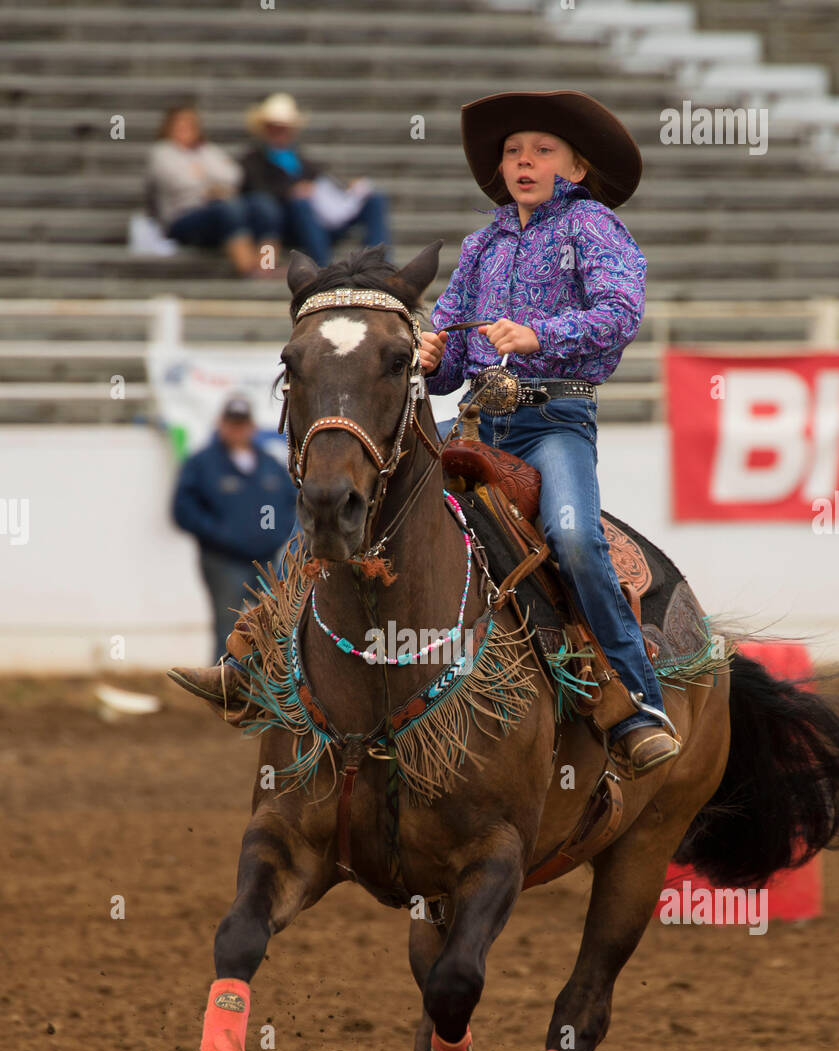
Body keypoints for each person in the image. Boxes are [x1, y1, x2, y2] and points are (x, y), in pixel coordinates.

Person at [419, 89, 679, 778]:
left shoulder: (591, 227)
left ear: (577, 168)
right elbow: (447, 348)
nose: (522, 161)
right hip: (479, 418)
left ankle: (639, 702)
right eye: (512, 151)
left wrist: (539, 334)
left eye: (540, 149)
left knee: (571, 536)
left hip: (553, 422)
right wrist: (431, 355)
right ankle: (262, 661)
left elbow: (619, 313)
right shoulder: (481, 245)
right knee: (373, 482)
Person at [172, 396, 298, 663]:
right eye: (232, 423)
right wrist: (220, 534)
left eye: (242, 424)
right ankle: (222, 688)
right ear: (222, 424)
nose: (237, 430)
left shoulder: (269, 464)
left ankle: (270, 689)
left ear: (251, 426)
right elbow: (184, 510)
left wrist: (274, 535)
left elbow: (290, 505)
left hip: (266, 561)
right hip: (223, 561)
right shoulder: (202, 464)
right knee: (227, 628)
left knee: (276, 626)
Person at [240, 93, 391, 266]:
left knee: (374, 199)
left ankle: (379, 264)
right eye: (274, 126)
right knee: (301, 204)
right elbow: (256, 194)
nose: (279, 131)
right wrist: (292, 193)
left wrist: (347, 189)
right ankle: (322, 267)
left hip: (323, 218)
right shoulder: (251, 161)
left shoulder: (303, 160)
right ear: (265, 128)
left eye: (284, 126)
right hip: (291, 224)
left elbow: (324, 185)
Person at [148, 106, 281, 276]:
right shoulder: (162, 153)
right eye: (180, 125)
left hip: (219, 210)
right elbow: (181, 183)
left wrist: (203, 176)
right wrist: (211, 186)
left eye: (190, 125)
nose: (185, 130)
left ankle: (267, 265)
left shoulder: (207, 150)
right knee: (228, 209)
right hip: (183, 216)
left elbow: (234, 175)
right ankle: (248, 269)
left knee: (263, 204)